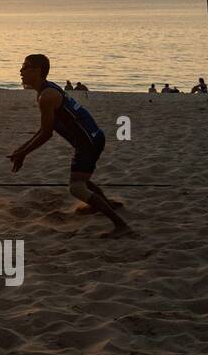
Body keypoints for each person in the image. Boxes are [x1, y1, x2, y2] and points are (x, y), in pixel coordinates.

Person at [9, 54, 130, 237]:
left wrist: (24, 153)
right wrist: (22, 150)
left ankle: (120, 225)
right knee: (83, 179)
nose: (21, 71)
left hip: (87, 142)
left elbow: (46, 134)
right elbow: (44, 129)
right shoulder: (46, 90)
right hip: (93, 137)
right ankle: (105, 203)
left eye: (25, 67)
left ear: (37, 71)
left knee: (77, 187)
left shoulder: (47, 96)